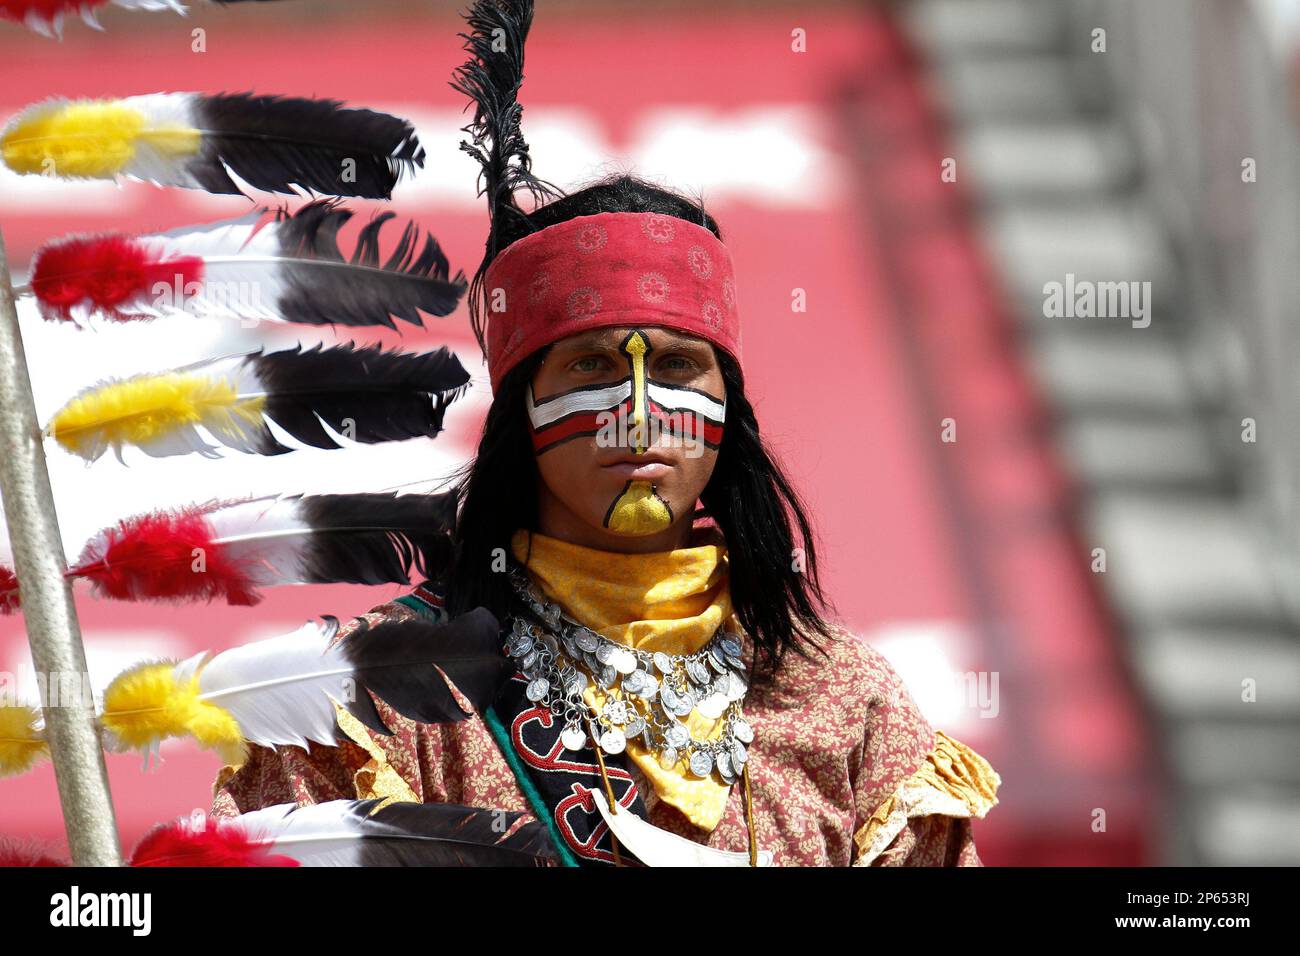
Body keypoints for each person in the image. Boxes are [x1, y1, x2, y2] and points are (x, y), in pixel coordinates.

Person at [209, 1, 1000, 868]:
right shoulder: (371, 700)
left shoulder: (845, 701)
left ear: (729, 409)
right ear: (521, 411)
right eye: (590, 367)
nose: (637, 407)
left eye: (677, 366)